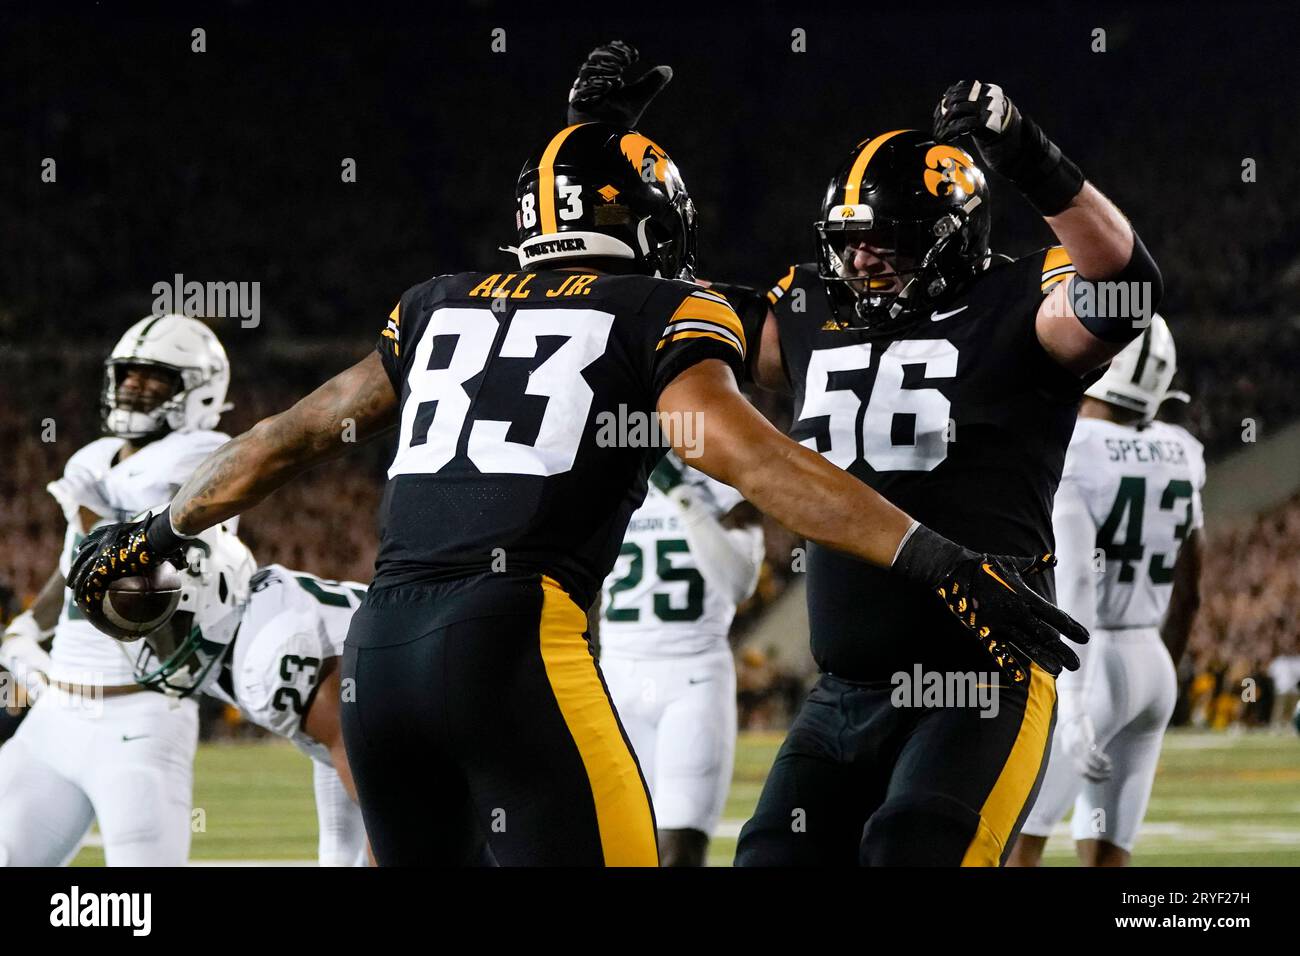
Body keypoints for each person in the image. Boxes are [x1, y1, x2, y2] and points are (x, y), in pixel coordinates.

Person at [71, 122, 1085, 866]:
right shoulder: (656, 306)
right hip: (508, 643)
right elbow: (757, 461)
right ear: (648, 227)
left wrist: (155, 529)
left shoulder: (438, 301)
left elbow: (285, 437)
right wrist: (937, 554)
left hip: (381, 657)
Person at [564, 45, 1160, 865]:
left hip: (979, 684)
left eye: (889, 239)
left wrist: (1029, 153)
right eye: (850, 240)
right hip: (841, 694)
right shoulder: (806, 306)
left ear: (955, 237)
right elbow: (637, 320)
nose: (863, 258)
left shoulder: (1017, 302)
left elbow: (1128, 284)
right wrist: (596, 157)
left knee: (915, 850)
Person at [0, 314, 230, 866]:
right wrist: (32, 623)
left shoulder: (204, 454)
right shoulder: (94, 460)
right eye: (127, 373)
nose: (132, 385)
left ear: (198, 391)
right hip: (55, 714)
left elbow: (150, 560)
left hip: (139, 719)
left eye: (154, 377)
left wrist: (96, 514)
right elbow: (77, 564)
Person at [1010, 316, 1205, 866]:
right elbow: (1191, 592)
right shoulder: (1182, 449)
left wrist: (1077, 704)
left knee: (1019, 840)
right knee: (1105, 853)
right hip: (1152, 664)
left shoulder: (1075, 445)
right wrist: (1152, 673)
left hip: (1088, 666)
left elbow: (1076, 582)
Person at [130, 541, 369, 867]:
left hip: (413, 705)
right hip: (360, 723)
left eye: (170, 626)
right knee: (338, 857)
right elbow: (331, 739)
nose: (161, 648)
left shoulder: (267, 649)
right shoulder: (234, 633)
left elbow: (370, 770)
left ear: (210, 601)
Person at [599, 452, 764, 865]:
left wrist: (681, 493)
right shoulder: (609, 479)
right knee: (614, 844)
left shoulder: (726, 483)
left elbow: (739, 583)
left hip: (693, 676)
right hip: (614, 675)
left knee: (679, 846)